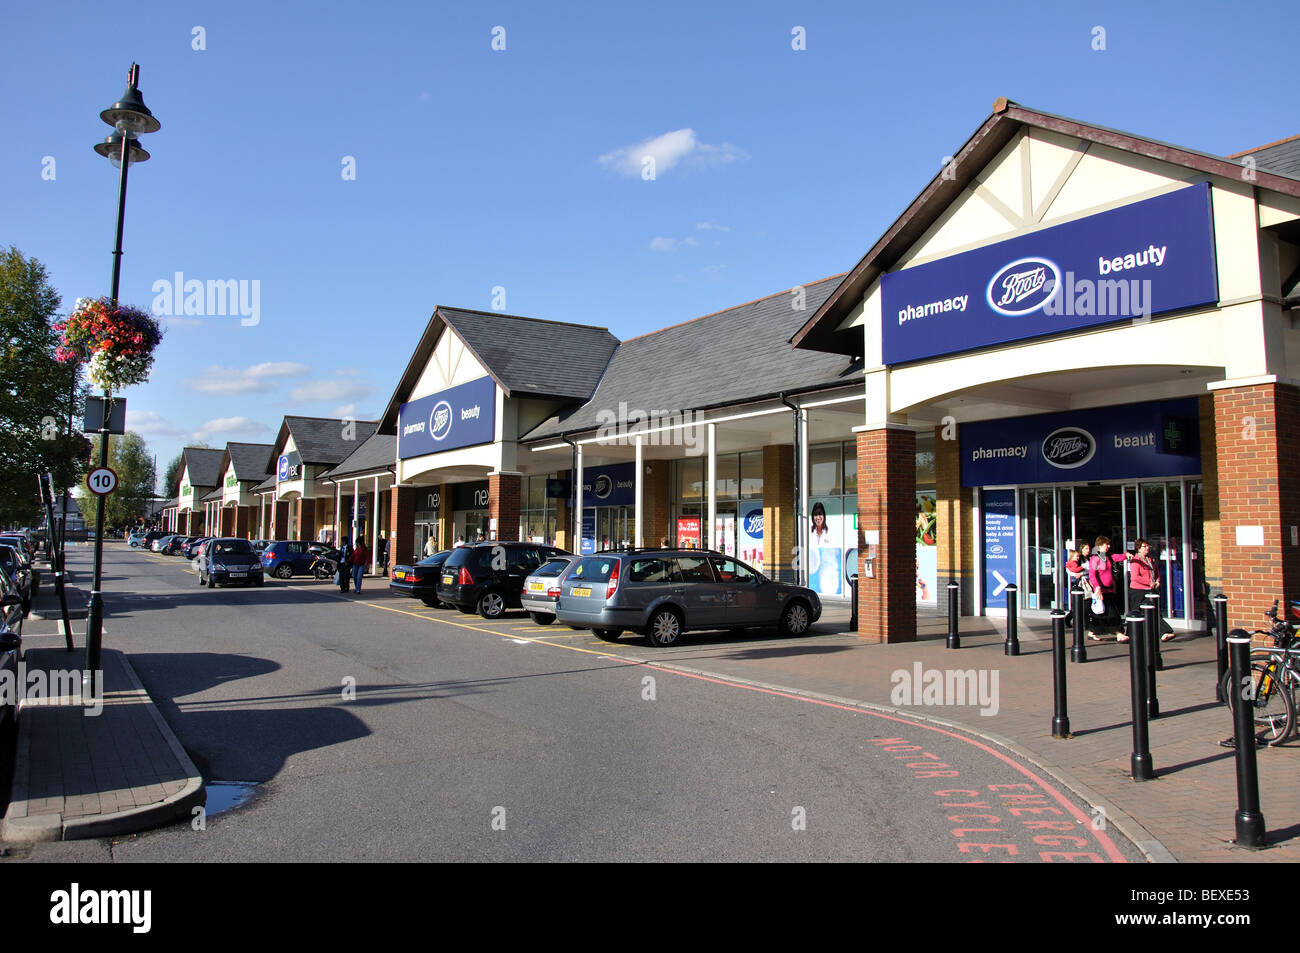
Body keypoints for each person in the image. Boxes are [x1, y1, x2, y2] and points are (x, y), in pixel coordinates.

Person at [1128, 538, 1175, 641]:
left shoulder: (1150, 560)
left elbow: (1155, 572)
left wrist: (1157, 581)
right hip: (1138, 591)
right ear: (1138, 549)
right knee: (1136, 613)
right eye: (1144, 546)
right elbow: (1135, 577)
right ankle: (1131, 634)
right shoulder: (1136, 561)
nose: (1147, 548)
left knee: (1153, 612)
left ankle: (1163, 632)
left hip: (1150, 590)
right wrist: (1149, 582)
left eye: (1147, 546)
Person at [1089, 535, 1132, 640]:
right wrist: (1097, 587)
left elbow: (1118, 557)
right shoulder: (1095, 559)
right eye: (1106, 544)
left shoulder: (1108, 557)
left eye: (1108, 544)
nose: (1108, 546)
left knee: (1101, 613)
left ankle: (1092, 631)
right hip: (1101, 590)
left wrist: (1126, 555)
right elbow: (1092, 575)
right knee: (1111, 612)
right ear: (1099, 545)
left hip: (1109, 589)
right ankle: (1119, 633)